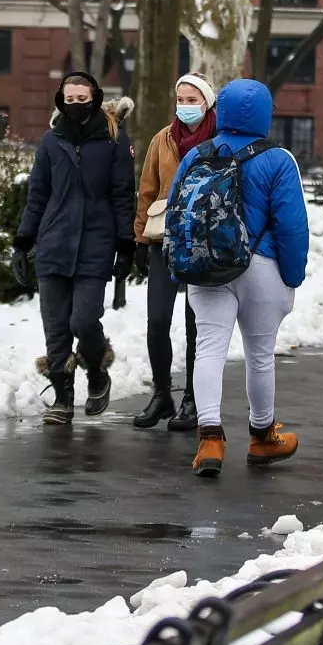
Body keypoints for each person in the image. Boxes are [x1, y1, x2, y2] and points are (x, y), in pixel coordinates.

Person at [171, 78, 311, 476]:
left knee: (209, 349)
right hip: (260, 266)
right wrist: (293, 275)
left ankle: (210, 439)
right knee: (261, 356)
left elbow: (177, 214)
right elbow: (291, 226)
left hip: (207, 266)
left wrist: (179, 268)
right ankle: (263, 436)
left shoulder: (197, 154)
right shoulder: (278, 159)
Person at [15, 71, 137, 426]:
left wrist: (125, 246)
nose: (76, 106)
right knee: (55, 328)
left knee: (83, 320)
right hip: (54, 245)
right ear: (61, 100)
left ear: (95, 98)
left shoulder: (115, 141)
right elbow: (37, 195)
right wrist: (23, 243)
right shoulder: (51, 141)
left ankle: (98, 375)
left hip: (95, 246)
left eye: (82, 100)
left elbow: (122, 197)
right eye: (70, 100)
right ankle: (62, 398)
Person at [131, 73, 216, 431]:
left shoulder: (220, 141)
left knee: (196, 324)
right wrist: (138, 238)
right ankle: (161, 393)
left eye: (192, 99)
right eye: (180, 99)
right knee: (158, 321)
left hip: (203, 242)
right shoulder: (162, 140)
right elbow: (147, 190)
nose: (185, 106)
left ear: (207, 103)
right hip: (163, 240)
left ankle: (193, 400)